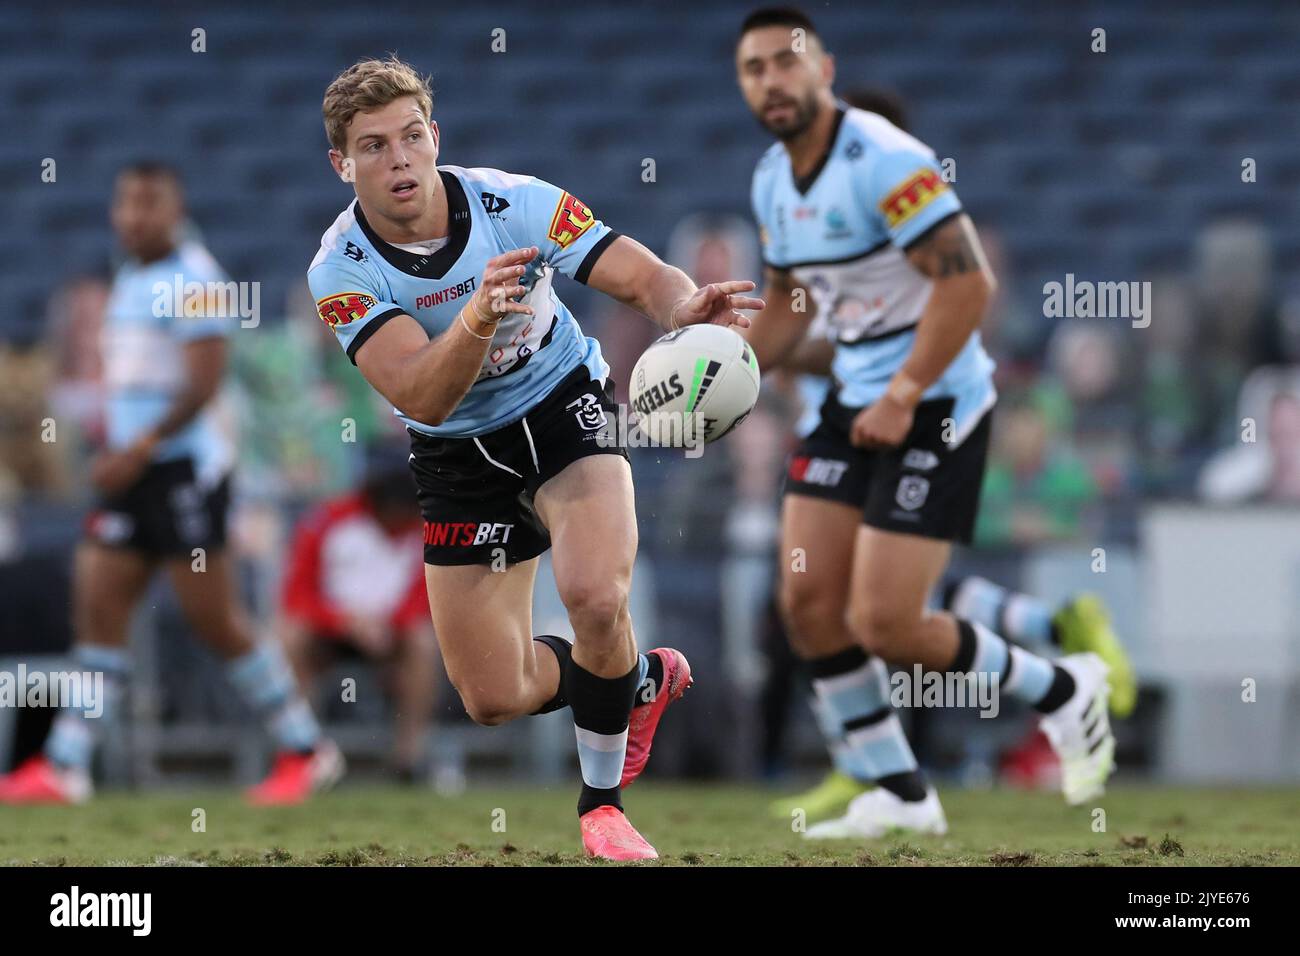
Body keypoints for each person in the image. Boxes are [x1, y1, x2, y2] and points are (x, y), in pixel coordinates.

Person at [307, 57, 763, 859]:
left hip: (565, 412)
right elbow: (422, 396)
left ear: (435, 136)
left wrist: (683, 308)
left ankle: (601, 806)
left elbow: (641, 274)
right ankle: (638, 682)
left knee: (594, 597)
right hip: (458, 457)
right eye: (373, 147)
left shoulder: (514, 202)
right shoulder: (340, 269)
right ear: (342, 164)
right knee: (491, 695)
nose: (400, 159)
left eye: (412, 136)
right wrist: (479, 315)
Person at [736, 7, 1120, 839]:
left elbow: (969, 285)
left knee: (888, 623)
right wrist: (727, 372)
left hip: (938, 405)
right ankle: (898, 792)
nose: (771, 80)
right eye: (754, 68)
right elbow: (792, 300)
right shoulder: (771, 178)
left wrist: (904, 392)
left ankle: (1065, 689)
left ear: (823, 70)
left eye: (785, 62)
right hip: (850, 403)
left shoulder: (886, 160)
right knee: (805, 601)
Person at [0, 163, 340, 806]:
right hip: (132, 473)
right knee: (98, 606)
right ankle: (65, 766)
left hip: (184, 471)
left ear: (174, 210)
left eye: (149, 203)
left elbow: (205, 381)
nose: (134, 215)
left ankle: (305, 747)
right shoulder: (130, 277)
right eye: (126, 202)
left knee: (216, 622)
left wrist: (141, 447)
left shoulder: (198, 278)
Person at [279, 452, 441, 780]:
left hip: (392, 634)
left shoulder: (424, 528)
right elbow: (297, 594)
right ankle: (300, 751)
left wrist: (388, 625)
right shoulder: (328, 519)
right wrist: (344, 621)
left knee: (423, 642)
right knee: (289, 635)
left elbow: (429, 595)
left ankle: (408, 759)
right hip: (329, 632)